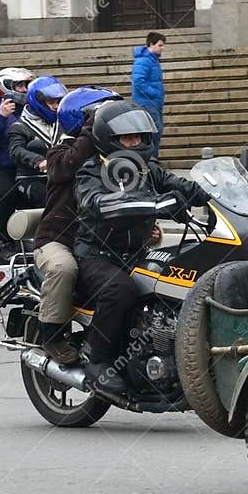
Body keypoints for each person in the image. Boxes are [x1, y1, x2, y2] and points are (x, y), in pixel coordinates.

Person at [74, 100, 209, 394]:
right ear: (108, 140)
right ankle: (95, 358)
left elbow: (181, 185)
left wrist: (218, 193)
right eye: (126, 138)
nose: (134, 143)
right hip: (97, 257)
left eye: (138, 137)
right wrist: (157, 204)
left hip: (136, 254)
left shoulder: (148, 169)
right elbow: (99, 203)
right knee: (120, 290)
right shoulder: (91, 172)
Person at [32, 86, 123, 365]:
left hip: (101, 243)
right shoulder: (60, 152)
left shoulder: (119, 155)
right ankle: (53, 335)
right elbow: (69, 165)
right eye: (103, 115)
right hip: (57, 240)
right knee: (63, 268)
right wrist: (91, 130)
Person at [0, 67, 35, 256]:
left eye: (26, 85)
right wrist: (1, 117)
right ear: (5, 87)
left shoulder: (31, 109)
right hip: (0, 167)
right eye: (20, 86)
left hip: (27, 164)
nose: (25, 90)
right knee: (8, 194)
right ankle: (5, 240)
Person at [8, 76, 68, 209]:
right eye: (51, 102)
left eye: (58, 101)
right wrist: (37, 160)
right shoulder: (20, 126)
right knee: (50, 202)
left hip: (60, 178)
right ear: (38, 102)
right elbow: (15, 150)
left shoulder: (64, 123)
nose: (56, 106)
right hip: (31, 179)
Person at [130, 31, 166, 158]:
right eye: (160, 45)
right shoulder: (145, 60)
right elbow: (138, 81)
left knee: (155, 132)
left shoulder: (152, 60)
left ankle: (152, 161)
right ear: (151, 44)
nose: (162, 48)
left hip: (153, 103)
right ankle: (150, 162)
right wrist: (155, 93)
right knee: (153, 133)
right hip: (147, 103)